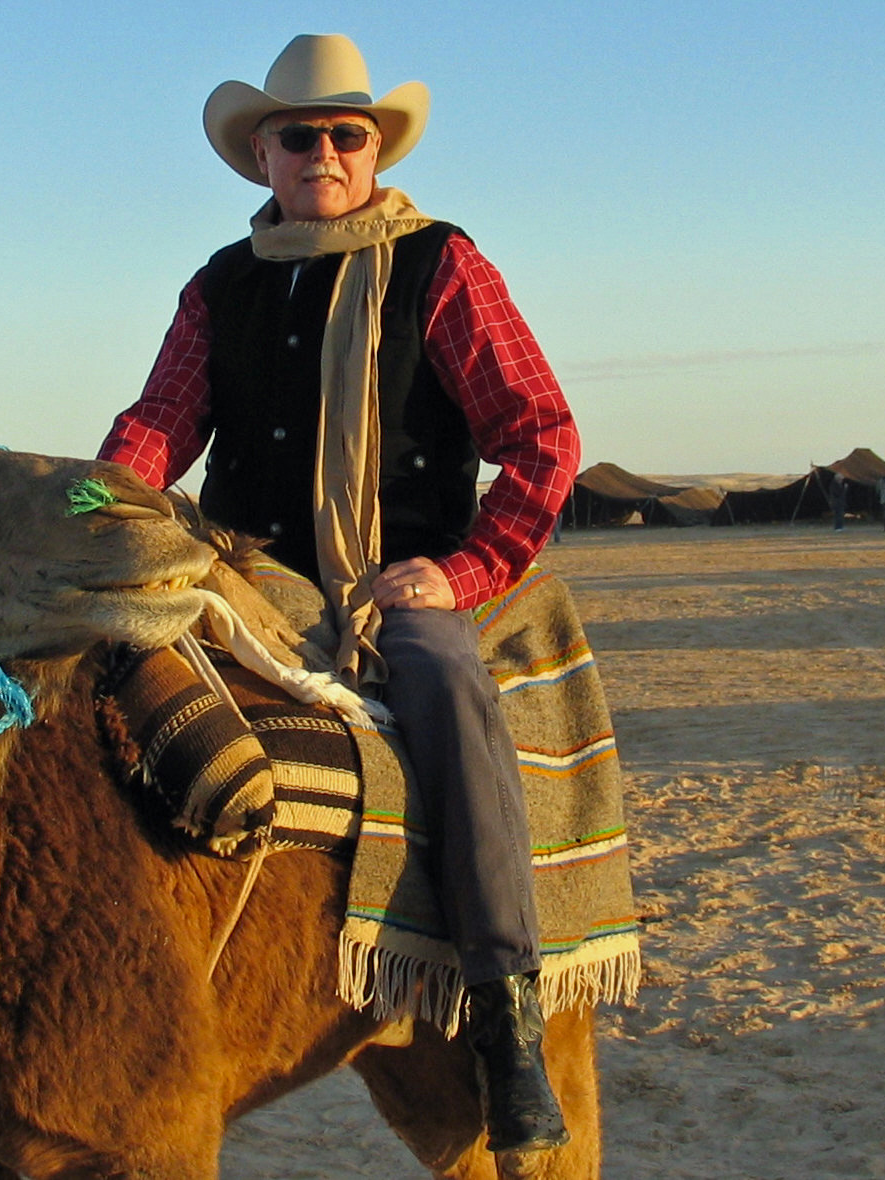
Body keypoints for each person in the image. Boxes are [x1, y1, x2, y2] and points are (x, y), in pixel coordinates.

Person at [96, 34, 577, 1153]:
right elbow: (160, 425)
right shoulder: (221, 285)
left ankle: (505, 1015)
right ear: (261, 153)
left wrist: (462, 573)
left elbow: (543, 439)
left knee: (451, 700)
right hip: (251, 566)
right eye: (297, 135)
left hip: (395, 578)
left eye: (342, 134)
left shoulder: (441, 265)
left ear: (372, 148)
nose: (321, 151)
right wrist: (86, 512)